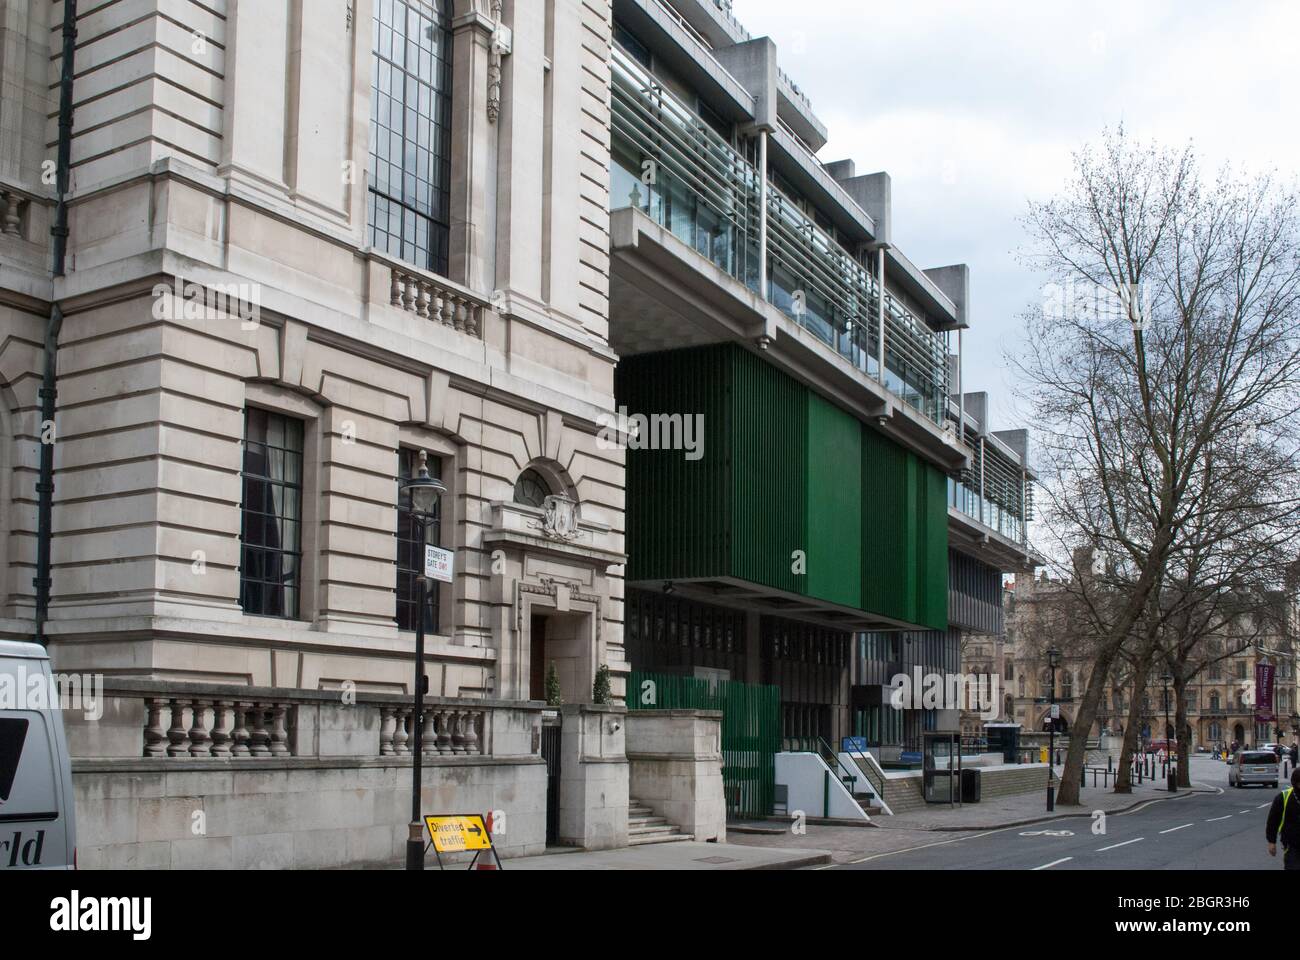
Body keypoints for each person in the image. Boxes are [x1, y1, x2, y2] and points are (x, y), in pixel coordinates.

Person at [1266, 768, 1300, 869]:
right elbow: (1273, 821)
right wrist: (1271, 841)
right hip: (1291, 844)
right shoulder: (1283, 797)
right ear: (1296, 783)